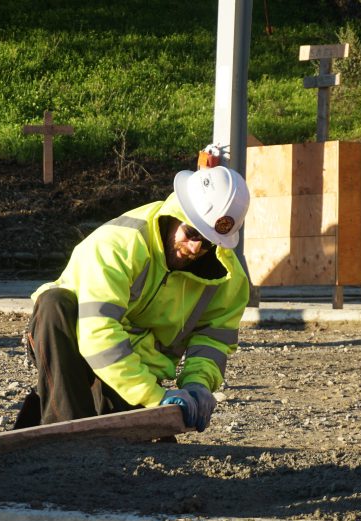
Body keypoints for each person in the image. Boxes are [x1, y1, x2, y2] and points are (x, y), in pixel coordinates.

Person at [17, 164, 251, 432]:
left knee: (122, 435)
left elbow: (212, 341)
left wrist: (198, 384)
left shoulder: (228, 277)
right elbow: (98, 334)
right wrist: (152, 397)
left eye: (209, 242)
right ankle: (66, 431)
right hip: (73, 348)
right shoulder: (118, 244)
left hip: (137, 365)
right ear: (177, 215)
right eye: (192, 233)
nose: (196, 248)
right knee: (54, 303)